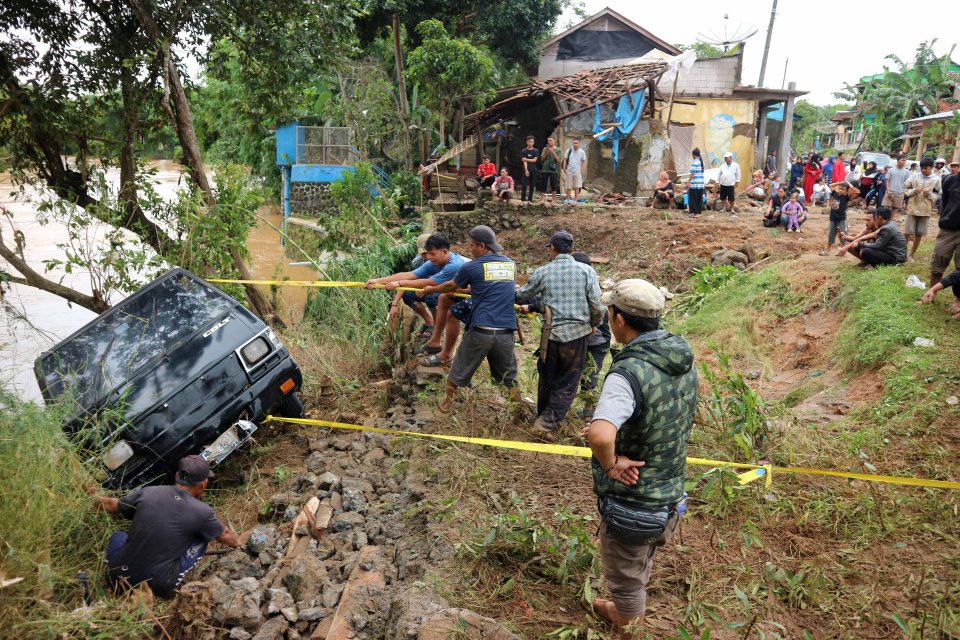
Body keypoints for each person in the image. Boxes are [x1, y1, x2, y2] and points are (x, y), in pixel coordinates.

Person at [582, 279, 697, 638]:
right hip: (671, 487)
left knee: (624, 571)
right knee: (643, 550)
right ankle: (627, 608)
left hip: (635, 498)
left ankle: (628, 621)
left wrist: (610, 462)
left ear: (618, 319)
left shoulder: (627, 373)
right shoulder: (680, 358)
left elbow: (601, 434)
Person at [95, 455, 244, 598]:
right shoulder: (203, 512)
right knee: (201, 541)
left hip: (115, 577)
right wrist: (239, 544)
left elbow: (110, 504)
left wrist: (90, 498)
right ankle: (172, 584)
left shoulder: (148, 492)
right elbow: (224, 534)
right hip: (156, 585)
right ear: (203, 484)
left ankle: (115, 573)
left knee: (119, 536)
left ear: (177, 475)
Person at [516, 231, 602, 434]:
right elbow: (597, 306)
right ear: (571, 249)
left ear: (552, 249)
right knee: (568, 381)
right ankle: (546, 424)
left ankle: (543, 420)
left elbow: (522, 296)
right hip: (577, 335)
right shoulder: (586, 271)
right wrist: (593, 323)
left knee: (547, 378)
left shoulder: (543, 271)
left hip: (551, 336)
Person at [431, 226, 523, 414]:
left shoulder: (471, 266)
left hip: (481, 330)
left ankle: (447, 403)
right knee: (509, 376)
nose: (469, 249)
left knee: (458, 368)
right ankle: (519, 410)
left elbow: (451, 286)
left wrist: (429, 290)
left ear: (482, 246)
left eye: (472, 245)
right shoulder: (510, 265)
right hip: (506, 332)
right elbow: (493, 286)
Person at [365, 233, 465, 340]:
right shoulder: (431, 262)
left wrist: (399, 283)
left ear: (444, 252)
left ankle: (438, 329)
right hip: (444, 291)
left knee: (432, 295)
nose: (428, 257)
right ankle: (431, 322)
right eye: (426, 254)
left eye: (432, 254)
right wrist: (377, 281)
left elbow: (429, 282)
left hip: (464, 296)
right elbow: (408, 275)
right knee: (409, 294)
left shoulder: (454, 265)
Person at [572, 252, 611, 420]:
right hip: (584, 341)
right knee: (579, 376)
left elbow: (598, 313)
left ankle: (588, 414)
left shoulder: (590, 288)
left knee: (589, 377)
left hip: (595, 342)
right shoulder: (581, 286)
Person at [929, 167, 960, 316]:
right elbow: (945, 203)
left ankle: (958, 300)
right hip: (948, 229)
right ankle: (931, 294)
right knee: (938, 262)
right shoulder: (950, 180)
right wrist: (945, 218)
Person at [839, 207, 907, 267]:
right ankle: (867, 262)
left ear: (879, 218)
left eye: (876, 218)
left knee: (865, 251)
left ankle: (870, 263)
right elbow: (864, 237)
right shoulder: (890, 224)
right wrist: (846, 238)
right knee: (861, 247)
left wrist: (860, 243)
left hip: (896, 258)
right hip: (893, 254)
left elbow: (877, 246)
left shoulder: (887, 228)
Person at [902, 157, 941, 260]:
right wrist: (913, 191)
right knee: (907, 232)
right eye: (922, 168)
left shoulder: (936, 179)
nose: (923, 170)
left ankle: (911, 255)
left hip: (925, 210)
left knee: (919, 233)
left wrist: (929, 195)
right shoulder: (914, 176)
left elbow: (938, 194)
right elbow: (905, 188)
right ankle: (903, 253)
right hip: (912, 207)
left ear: (932, 167)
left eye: (926, 168)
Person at [822, 181, 855, 254]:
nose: (840, 190)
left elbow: (852, 188)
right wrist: (839, 182)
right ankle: (828, 249)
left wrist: (847, 182)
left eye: (843, 189)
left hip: (841, 218)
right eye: (840, 188)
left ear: (846, 191)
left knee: (842, 234)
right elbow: (830, 185)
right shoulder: (835, 194)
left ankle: (843, 250)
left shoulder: (846, 197)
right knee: (831, 234)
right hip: (833, 218)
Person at [562, 137, 588, 205]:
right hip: (569, 170)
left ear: (579, 144)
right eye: (574, 143)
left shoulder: (582, 152)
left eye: (576, 143)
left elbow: (584, 161)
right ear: (572, 143)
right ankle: (568, 199)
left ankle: (575, 200)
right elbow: (565, 159)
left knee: (577, 186)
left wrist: (582, 169)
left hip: (577, 171)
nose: (575, 144)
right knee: (568, 186)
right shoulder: (569, 150)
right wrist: (564, 167)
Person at [540, 137, 562, 205]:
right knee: (543, 184)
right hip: (545, 169)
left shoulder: (558, 149)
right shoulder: (544, 149)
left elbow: (558, 160)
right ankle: (543, 199)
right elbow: (542, 159)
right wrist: (546, 151)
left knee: (554, 185)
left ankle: (553, 200)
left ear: (554, 141)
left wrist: (552, 151)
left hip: (553, 170)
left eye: (551, 141)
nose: (549, 142)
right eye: (548, 141)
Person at [520, 135, 539, 202]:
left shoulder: (536, 151)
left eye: (532, 142)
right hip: (526, 169)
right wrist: (526, 170)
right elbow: (524, 162)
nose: (530, 143)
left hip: (533, 169)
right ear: (527, 142)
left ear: (533, 142)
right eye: (529, 142)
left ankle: (530, 199)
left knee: (532, 184)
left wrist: (526, 159)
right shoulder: (523, 151)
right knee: (524, 184)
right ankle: (523, 198)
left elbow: (534, 160)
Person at [687, 148, 705, 217]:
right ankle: (698, 213)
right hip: (700, 183)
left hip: (695, 184)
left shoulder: (694, 162)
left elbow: (693, 173)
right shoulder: (701, 162)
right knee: (698, 198)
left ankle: (694, 212)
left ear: (693, 155)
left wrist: (689, 181)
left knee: (693, 198)